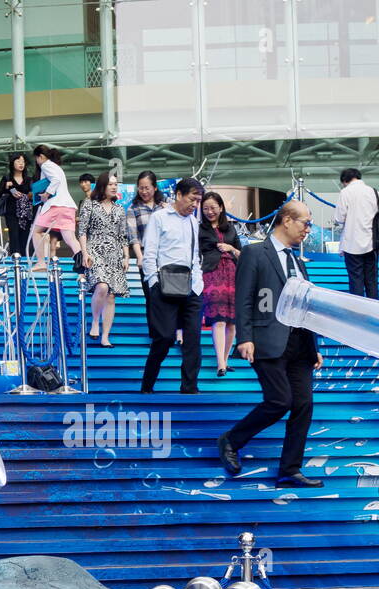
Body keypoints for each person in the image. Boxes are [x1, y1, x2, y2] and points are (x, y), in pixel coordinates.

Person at [217, 200, 325, 488]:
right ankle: (231, 439)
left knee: (303, 405)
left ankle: (290, 470)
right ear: (287, 220)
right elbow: (244, 298)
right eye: (306, 223)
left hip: (300, 344)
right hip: (267, 339)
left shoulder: (299, 262)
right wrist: (245, 337)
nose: (308, 229)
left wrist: (314, 346)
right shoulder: (255, 253)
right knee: (280, 400)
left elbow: (305, 305)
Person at [139, 177, 204, 394]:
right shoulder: (159, 218)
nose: (195, 204)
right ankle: (147, 384)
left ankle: (189, 387)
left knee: (193, 338)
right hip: (164, 286)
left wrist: (198, 282)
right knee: (164, 337)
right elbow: (149, 254)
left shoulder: (194, 221)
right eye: (192, 199)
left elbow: (195, 255)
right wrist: (153, 283)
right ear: (178, 195)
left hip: (192, 286)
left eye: (198, 201)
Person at [77, 171, 127, 348]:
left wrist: (126, 256)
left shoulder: (120, 209)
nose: (114, 187)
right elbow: (82, 231)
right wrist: (85, 253)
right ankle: (95, 321)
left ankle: (105, 336)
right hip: (95, 250)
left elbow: (123, 235)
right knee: (102, 286)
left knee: (111, 296)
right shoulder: (89, 204)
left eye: (116, 184)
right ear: (102, 186)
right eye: (110, 184)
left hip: (114, 253)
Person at [198, 191, 242, 376]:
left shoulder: (231, 228)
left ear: (221, 208)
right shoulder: (199, 229)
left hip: (232, 274)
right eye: (206, 208)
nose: (209, 211)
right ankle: (220, 363)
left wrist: (230, 248)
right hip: (212, 274)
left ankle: (225, 359)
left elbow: (242, 253)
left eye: (213, 208)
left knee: (232, 322)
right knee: (218, 319)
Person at [30, 145, 80, 271]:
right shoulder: (56, 167)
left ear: (40, 156)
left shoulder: (46, 165)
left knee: (36, 231)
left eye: (36, 158)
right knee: (70, 238)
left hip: (56, 205)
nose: (37, 161)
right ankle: (83, 261)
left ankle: (41, 262)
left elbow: (55, 180)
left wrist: (46, 194)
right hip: (68, 206)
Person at [334, 167, 379, 299]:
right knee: (371, 280)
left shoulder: (345, 192)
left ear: (345, 180)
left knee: (355, 280)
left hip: (352, 243)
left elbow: (339, 218)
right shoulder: (372, 191)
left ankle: (357, 311)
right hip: (371, 242)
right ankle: (375, 309)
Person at [0, 152, 34, 257]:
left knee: (25, 237)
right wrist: (6, 187)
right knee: (14, 235)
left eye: (23, 161)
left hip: (26, 214)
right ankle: (16, 260)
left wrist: (30, 195)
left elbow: (34, 196)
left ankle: (26, 260)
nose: (21, 163)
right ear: (12, 163)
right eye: (18, 161)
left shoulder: (29, 180)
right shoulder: (7, 178)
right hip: (11, 213)